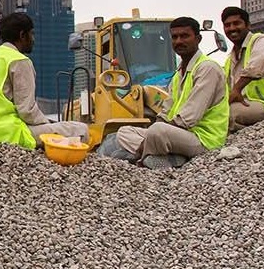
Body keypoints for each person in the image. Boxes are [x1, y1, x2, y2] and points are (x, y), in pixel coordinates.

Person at [98, 16, 229, 169]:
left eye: (185, 36)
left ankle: (143, 155)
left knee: (157, 131)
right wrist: (155, 131)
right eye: (174, 37)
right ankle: (161, 155)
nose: (179, 41)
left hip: (203, 139)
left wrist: (157, 132)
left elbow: (189, 118)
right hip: (178, 134)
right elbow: (167, 110)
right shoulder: (178, 74)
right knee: (125, 132)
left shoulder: (207, 69)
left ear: (198, 39)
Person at [0, 11, 88, 149]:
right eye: (31, 34)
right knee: (81, 129)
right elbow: (27, 111)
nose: (33, 39)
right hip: (4, 133)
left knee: (53, 123)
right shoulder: (19, 61)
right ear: (22, 35)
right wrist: (48, 125)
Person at [221, 5, 264, 127]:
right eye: (227, 25)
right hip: (248, 105)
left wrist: (237, 89)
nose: (232, 28)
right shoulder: (230, 60)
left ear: (248, 25)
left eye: (236, 23)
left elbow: (257, 65)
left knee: (229, 115)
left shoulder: (261, 41)